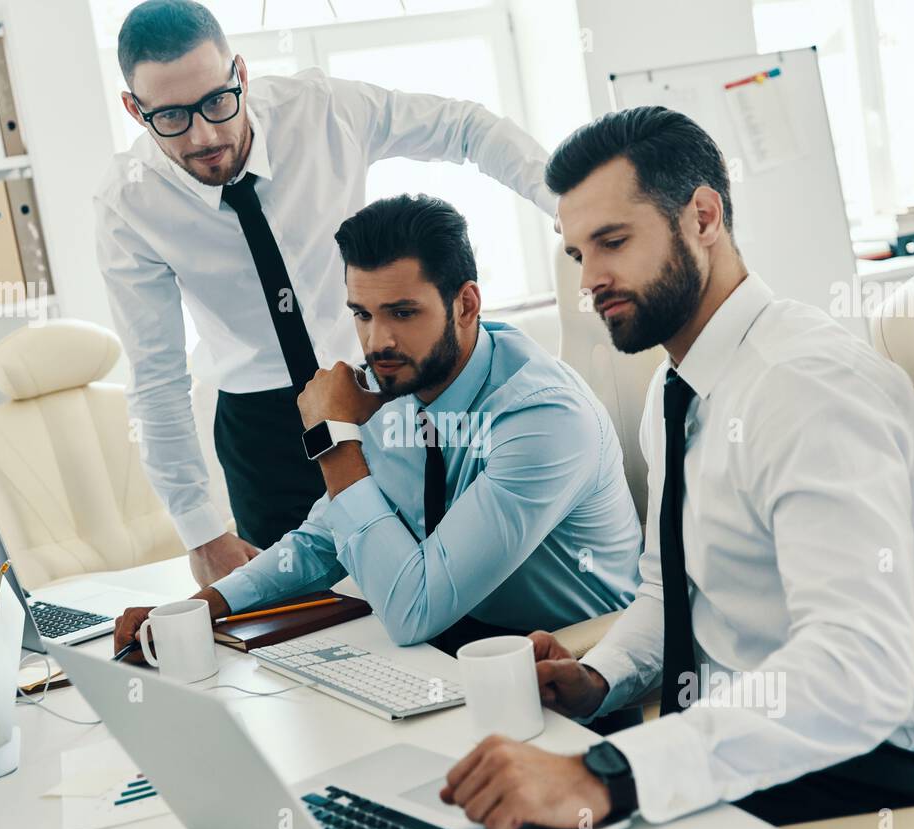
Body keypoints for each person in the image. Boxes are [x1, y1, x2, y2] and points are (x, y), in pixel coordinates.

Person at [440, 107, 914, 829]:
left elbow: (855, 670)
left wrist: (609, 773)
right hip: (750, 740)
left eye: (613, 241)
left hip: (870, 768)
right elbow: (668, 588)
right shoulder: (676, 387)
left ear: (703, 217)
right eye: (577, 252)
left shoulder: (807, 387)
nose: (591, 279)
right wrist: (600, 678)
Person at [94, 0, 558, 590]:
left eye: (216, 101)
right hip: (262, 430)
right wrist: (200, 531)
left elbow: (461, 126)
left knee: (424, 584)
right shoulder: (127, 203)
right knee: (294, 620)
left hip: (375, 393)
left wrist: (560, 201)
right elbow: (157, 376)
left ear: (239, 73)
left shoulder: (321, 111)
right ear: (135, 110)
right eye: (173, 118)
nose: (206, 134)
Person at [114, 193, 641, 655]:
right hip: (449, 657)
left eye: (402, 313)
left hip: (567, 675)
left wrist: (334, 440)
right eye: (362, 314)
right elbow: (322, 539)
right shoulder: (397, 387)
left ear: (466, 304)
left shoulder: (542, 418)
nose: (376, 342)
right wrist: (199, 608)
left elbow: (415, 610)